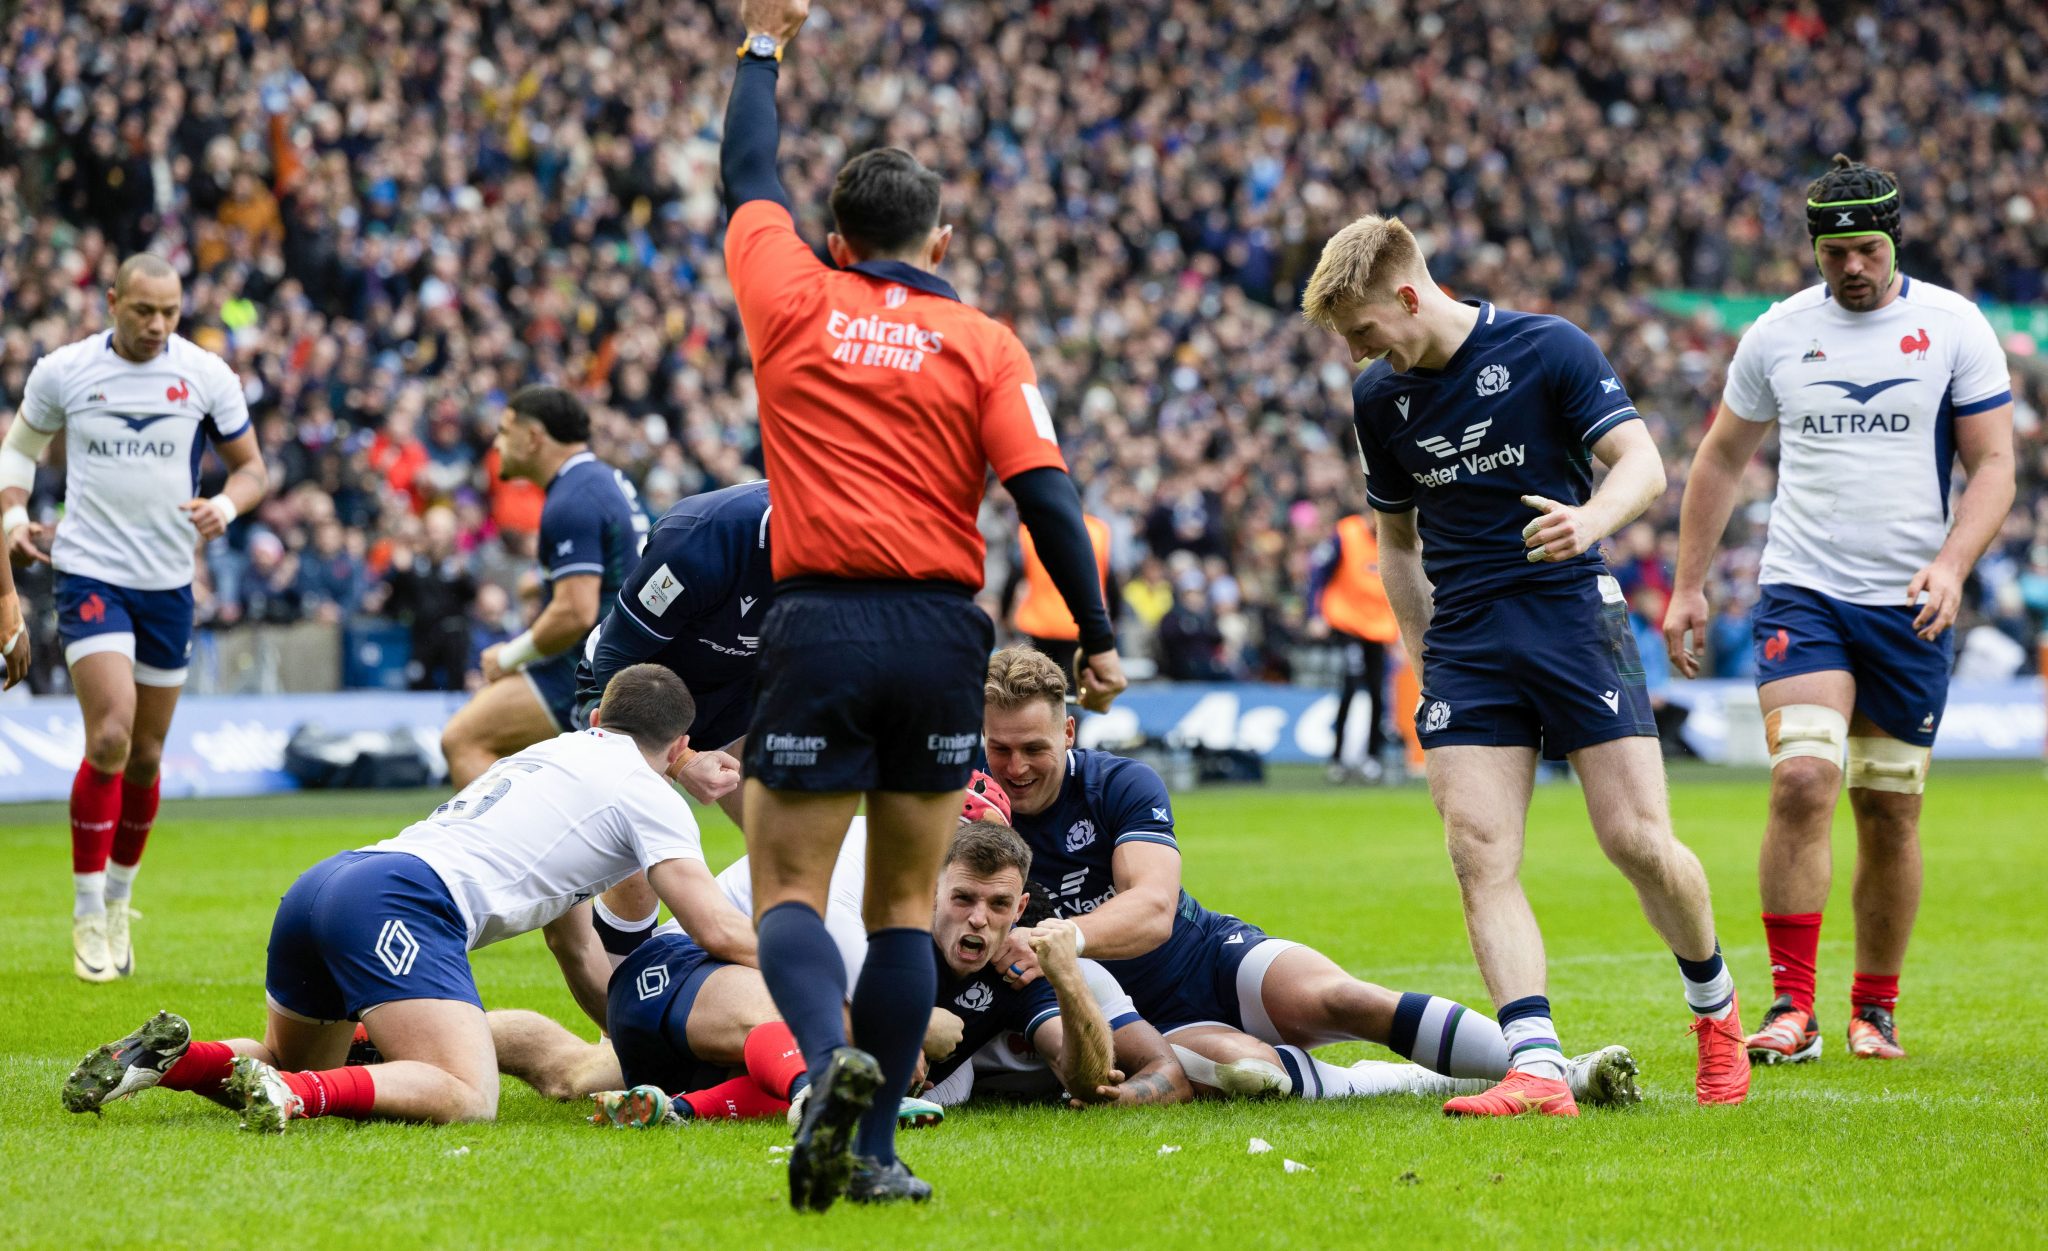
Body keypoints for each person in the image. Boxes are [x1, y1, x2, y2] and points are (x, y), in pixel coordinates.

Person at [718, 0, 1125, 1209]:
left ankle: (819, 1071)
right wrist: (1094, 637)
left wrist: (761, 45)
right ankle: (880, 1147)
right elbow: (1048, 499)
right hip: (943, 632)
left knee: (785, 890)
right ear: (939, 238)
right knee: (904, 904)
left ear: (835, 234)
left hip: (819, 619)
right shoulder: (982, 341)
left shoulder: (790, 292)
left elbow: (747, 170)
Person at [1298, 215, 1749, 1114]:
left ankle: (1716, 1009)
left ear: (1408, 295)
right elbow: (1397, 544)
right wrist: (1425, 660)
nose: (1354, 352)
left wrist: (1589, 521)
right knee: (1478, 850)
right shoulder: (1379, 400)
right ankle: (1537, 1066)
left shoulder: (1548, 348)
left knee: (1637, 842)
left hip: (1572, 614)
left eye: (1360, 330)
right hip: (1466, 637)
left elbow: (1642, 465)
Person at [58, 665, 751, 1131]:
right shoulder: (648, 794)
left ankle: (178, 1059)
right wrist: (816, 961)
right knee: (469, 1095)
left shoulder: (549, 754)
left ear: (598, 713)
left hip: (330, 881)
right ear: (681, 744)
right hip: (402, 901)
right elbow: (716, 927)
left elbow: (572, 943)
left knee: (293, 1054)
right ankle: (301, 1098)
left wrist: (630, 1041)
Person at [1663, 156, 2016, 1063]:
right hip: (1804, 590)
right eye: (1833, 253)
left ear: (1894, 239)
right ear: (1813, 251)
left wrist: (1951, 562)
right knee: (1803, 779)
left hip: (1909, 603)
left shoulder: (1954, 326)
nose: (1851, 267)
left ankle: (1876, 1008)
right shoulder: (1780, 333)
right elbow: (1718, 458)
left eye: (1865, 248)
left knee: (1889, 807)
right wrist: (1690, 584)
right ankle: (1792, 1007)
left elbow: (1994, 467)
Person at [980, 648, 1642, 1111]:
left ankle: (1556, 1069)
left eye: (1035, 747)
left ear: (1067, 730)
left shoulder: (1118, 782)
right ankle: (1385, 1083)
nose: (1016, 767)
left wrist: (1058, 937)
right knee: (1249, 1070)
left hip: (1203, 953)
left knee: (1344, 999)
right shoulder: (969, 813)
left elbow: (1152, 906)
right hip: (1132, 1015)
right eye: (999, 748)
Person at [0, 253, 269, 984]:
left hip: (168, 584)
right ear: (112, 301)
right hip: (89, 569)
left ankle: (120, 898)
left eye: (171, 312)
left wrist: (227, 505)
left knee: (147, 755)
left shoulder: (207, 375)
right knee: (111, 732)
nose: (157, 325)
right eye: (143, 310)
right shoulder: (65, 371)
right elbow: (17, 450)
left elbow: (253, 468)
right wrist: (17, 512)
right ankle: (87, 909)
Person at [439, 387, 648, 788]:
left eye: (504, 431)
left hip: (588, 664)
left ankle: (504, 851)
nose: (497, 443)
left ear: (533, 437)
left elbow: (576, 612)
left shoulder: (570, 498)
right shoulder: (604, 479)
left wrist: (509, 656)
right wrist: (541, 585)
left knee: (463, 739)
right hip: (626, 650)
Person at [571, 478, 774, 820]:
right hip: (636, 691)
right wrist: (681, 761)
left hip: (734, 695)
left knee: (789, 857)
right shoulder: (700, 540)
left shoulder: (860, 543)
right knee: (638, 851)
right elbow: (615, 658)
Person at [1310, 511, 1401, 782]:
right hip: (1348, 624)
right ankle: (1338, 758)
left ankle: (1372, 756)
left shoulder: (1394, 538)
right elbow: (1318, 573)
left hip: (1378, 629)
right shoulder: (1346, 533)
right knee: (1350, 686)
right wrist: (1315, 614)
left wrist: (1397, 632)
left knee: (1376, 691)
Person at [1005, 510, 1115, 666]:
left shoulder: (1031, 527)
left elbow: (1015, 576)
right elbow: (1109, 577)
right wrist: (1113, 617)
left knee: (1041, 680)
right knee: (1072, 684)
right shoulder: (1098, 530)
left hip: (1040, 622)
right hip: (1080, 624)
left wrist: (1005, 611)